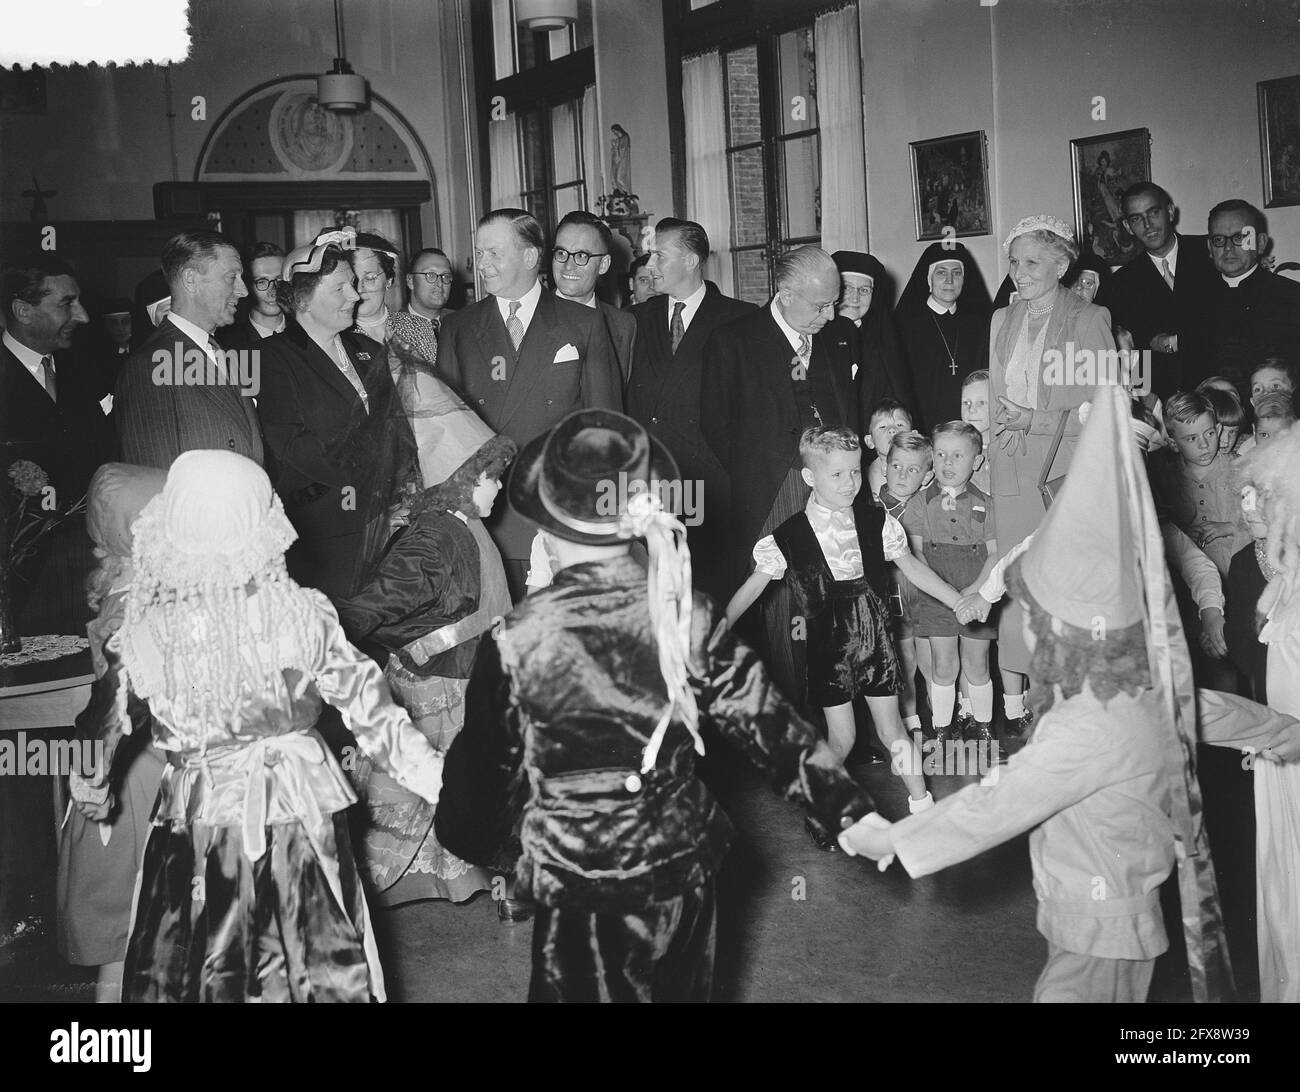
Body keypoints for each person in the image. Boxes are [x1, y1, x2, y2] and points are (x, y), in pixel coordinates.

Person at [842, 386, 1300, 1003]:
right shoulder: (1141, 686)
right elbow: (1219, 714)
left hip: (1099, 929)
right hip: (1110, 914)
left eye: (1036, 613)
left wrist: (897, 841)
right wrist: (1286, 734)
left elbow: (999, 801)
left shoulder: (1088, 726)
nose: (1027, 623)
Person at [434, 409, 885, 1002]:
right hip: (685, 872)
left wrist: (494, 845)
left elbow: (481, 780)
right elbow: (771, 724)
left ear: (551, 528)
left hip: (586, 882)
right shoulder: (684, 613)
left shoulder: (519, 638)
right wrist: (854, 814)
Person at [68, 450, 445, 1003]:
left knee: (196, 955)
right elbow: (376, 716)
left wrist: (93, 780)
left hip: (195, 823)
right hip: (299, 816)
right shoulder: (301, 615)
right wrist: (438, 779)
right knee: (315, 958)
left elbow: (105, 723)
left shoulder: (145, 632)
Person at [335, 379, 515, 909]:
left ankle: (454, 875)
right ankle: (361, 887)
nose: (499, 489)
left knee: (451, 789)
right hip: (432, 691)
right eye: (490, 478)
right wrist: (320, 630)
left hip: (464, 684)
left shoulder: (464, 524)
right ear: (461, 481)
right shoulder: (434, 538)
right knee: (409, 793)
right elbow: (379, 602)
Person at [721, 424, 954, 812]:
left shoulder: (877, 522)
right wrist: (718, 628)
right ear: (810, 477)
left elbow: (913, 568)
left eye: (854, 471)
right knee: (842, 739)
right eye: (836, 474)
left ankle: (923, 807)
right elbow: (753, 587)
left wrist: (959, 600)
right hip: (829, 652)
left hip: (876, 643)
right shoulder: (789, 535)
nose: (849, 483)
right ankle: (818, 805)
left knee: (892, 728)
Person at [701, 246, 860, 700]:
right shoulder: (733, 341)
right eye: (819, 305)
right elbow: (716, 426)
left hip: (834, 492)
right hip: (771, 493)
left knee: (835, 604)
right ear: (784, 293)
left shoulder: (841, 335)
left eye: (834, 302)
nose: (830, 316)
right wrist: (768, 473)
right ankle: (787, 723)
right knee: (779, 611)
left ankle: (840, 718)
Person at [438, 208, 622, 599]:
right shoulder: (458, 328)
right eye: (480, 253)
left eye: (494, 253)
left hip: (555, 519)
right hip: (485, 520)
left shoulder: (582, 323)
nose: (481, 265)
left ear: (529, 257)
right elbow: (446, 432)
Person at [256, 228, 417, 600]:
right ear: (303, 300)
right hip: (323, 533)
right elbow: (294, 446)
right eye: (340, 288)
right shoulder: (274, 359)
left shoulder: (365, 347)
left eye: (355, 285)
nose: (355, 296)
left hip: (383, 521)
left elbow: (396, 422)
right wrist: (375, 472)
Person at [57, 462, 167, 1003]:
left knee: (142, 920)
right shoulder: (136, 604)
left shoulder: (138, 585)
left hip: (137, 764)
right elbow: (118, 701)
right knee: (129, 916)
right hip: (139, 776)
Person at [987, 214, 1111, 682]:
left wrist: (1035, 419)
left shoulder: (1088, 318)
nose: (1020, 271)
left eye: (1032, 261)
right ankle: (1034, 719)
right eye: (1015, 261)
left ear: (1061, 265)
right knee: (1018, 595)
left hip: (1064, 481)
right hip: (1011, 479)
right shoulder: (1001, 318)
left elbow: (1104, 413)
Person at [626, 217, 755, 599]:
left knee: (707, 601)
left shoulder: (742, 319)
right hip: (646, 489)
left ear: (691, 260)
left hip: (710, 492)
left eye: (659, 255)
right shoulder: (634, 319)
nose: (650, 265)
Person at [1, 255, 117, 633]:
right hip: (20, 588)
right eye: (67, 304)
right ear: (23, 310)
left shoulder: (86, 368)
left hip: (90, 572)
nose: (82, 316)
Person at [1236, 422, 1300, 1001]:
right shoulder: (1283, 578)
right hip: (1280, 762)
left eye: (1266, 493)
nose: (1251, 503)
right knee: (1280, 890)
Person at [115, 229, 263, 469]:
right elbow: (152, 481)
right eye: (231, 277)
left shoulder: (225, 353)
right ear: (191, 280)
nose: (244, 291)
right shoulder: (150, 364)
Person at [900, 422, 999, 746]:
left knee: (977, 663)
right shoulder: (918, 504)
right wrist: (947, 596)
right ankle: (942, 729)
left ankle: (983, 727)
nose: (948, 462)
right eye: (941, 454)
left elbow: (994, 555)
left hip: (976, 593)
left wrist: (976, 592)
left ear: (977, 461)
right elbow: (916, 555)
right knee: (943, 666)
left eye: (958, 455)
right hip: (935, 595)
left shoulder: (987, 502)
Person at [1107, 182, 1215, 399]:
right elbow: (1128, 351)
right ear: (1128, 227)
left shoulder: (1210, 253)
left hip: (1216, 389)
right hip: (1161, 403)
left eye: (1153, 212)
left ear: (1170, 212)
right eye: (1137, 218)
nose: (1148, 225)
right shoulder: (1120, 282)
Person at [1189, 199, 1300, 397]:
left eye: (1240, 237)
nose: (1228, 248)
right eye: (1219, 240)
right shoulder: (1194, 299)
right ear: (1209, 247)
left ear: (1261, 243)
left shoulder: (1292, 297)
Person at [893, 241, 992, 432]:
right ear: (928, 279)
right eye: (941, 272)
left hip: (968, 424)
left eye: (956, 273)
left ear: (964, 279)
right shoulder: (904, 325)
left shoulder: (978, 324)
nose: (949, 280)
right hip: (923, 425)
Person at [878, 430, 936, 739]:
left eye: (913, 469)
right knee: (905, 663)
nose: (902, 475)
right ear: (885, 465)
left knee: (933, 662)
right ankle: (912, 726)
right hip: (893, 597)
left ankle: (942, 723)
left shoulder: (931, 507)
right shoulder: (872, 512)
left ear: (927, 477)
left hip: (927, 598)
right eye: (896, 465)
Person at [831, 250, 917, 425]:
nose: (854, 298)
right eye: (846, 288)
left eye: (864, 290)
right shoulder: (814, 335)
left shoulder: (883, 344)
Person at [550, 210, 636, 383]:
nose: (568, 266)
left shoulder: (623, 325)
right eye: (561, 253)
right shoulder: (528, 317)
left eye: (581, 256)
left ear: (603, 265)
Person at [217, 241, 288, 351]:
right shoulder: (227, 344)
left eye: (279, 280)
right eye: (262, 282)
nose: (273, 292)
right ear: (246, 285)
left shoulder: (307, 333)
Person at [862, 398, 911, 501]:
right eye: (882, 426)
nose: (892, 430)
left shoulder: (928, 469)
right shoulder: (864, 480)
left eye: (899, 425)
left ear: (914, 435)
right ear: (870, 441)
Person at [405, 247, 455, 331]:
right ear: (410, 281)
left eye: (446, 276)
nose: (440, 283)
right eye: (430, 275)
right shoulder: (391, 329)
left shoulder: (463, 323)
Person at [960, 369, 992, 494]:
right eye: (966, 402)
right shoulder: (952, 452)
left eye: (981, 402)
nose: (971, 409)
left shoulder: (1009, 452)